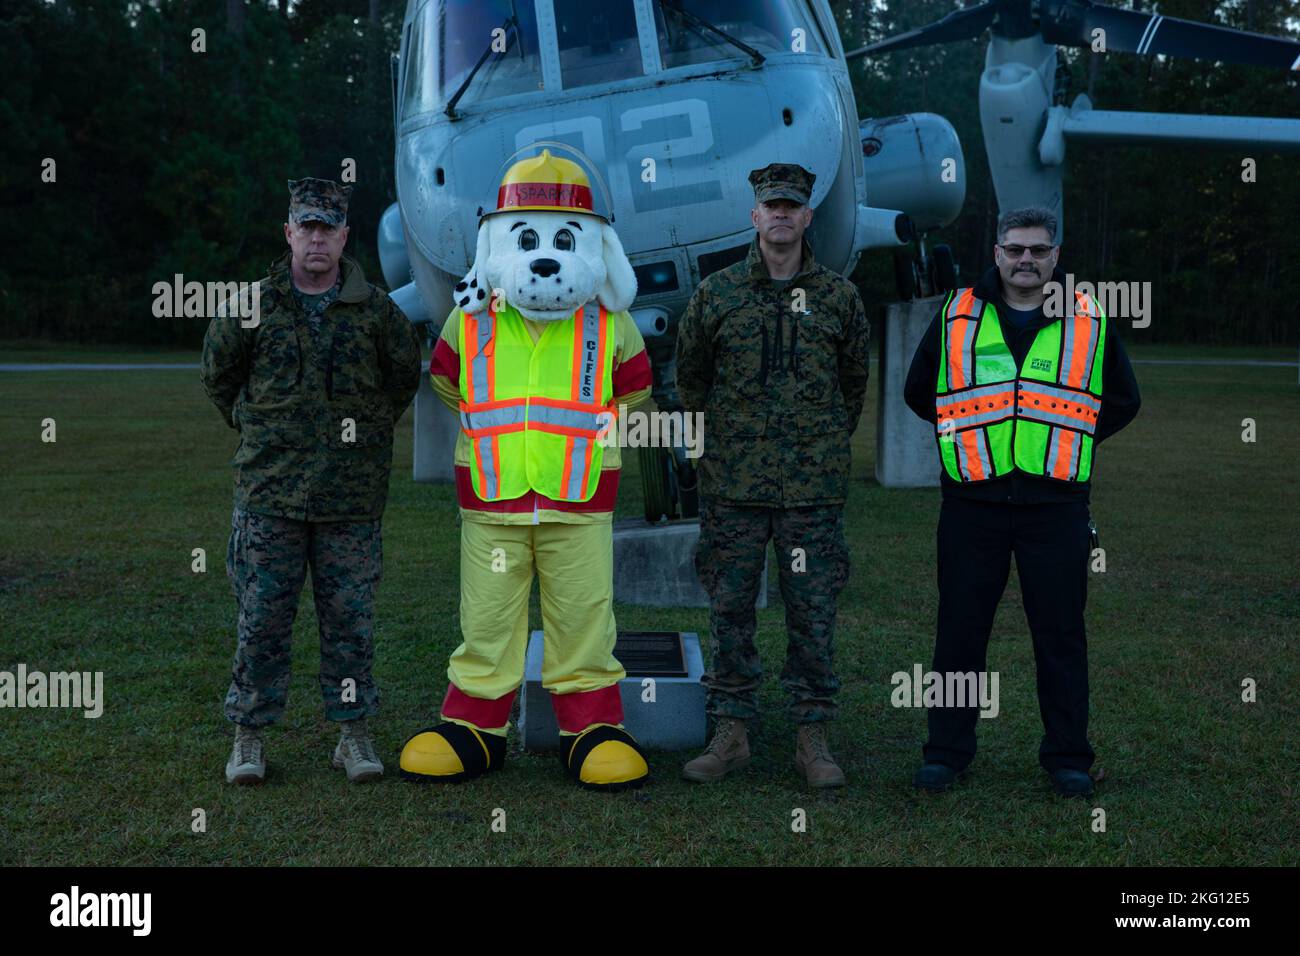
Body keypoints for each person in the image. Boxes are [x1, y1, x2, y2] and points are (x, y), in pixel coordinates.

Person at [397, 150, 656, 791]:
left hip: (579, 501)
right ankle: (474, 729)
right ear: (495, 244)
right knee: (485, 618)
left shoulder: (611, 324)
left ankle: (592, 728)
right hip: (493, 499)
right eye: (528, 237)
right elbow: (450, 385)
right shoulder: (470, 319)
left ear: (597, 245)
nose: (545, 255)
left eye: (565, 239)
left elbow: (634, 394)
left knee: (584, 617)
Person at [903, 205, 1142, 797]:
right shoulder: (957, 312)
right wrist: (971, 440)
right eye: (1015, 249)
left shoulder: (1088, 316)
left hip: (1055, 507)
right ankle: (946, 752)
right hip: (972, 505)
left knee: (1060, 635)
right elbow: (918, 392)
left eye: (1038, 250)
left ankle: (1068, 757)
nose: (1026, 260)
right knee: (959, 633)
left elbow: (1123, 400)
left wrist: (1065, 442)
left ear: (1056, 256)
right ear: (997, 253)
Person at [201, 177, 422, 785]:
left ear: (345, 235)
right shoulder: (254, 305)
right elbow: (220, 376)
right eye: (307, 226)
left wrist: (365, 434)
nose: (317, 238)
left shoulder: (376, 309)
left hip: (350, 500)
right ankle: (249, 737)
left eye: (329, 227)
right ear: (289, 232)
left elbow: (403, 378)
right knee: (261, 620)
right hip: (270, 496)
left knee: (350, 620)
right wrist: (261, 435)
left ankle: (352, 735)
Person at [674, 162, 871, 788]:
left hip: (811, 492)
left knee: (812, 610)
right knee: (730, 607)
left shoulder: (839, 297)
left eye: (792, 206)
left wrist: (818, 447)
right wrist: (712, 450)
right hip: (732, 487)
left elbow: (853, 386)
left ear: (808, 217)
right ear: (754, 216)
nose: (781, 215)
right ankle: (730, 731)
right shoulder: (719, 293)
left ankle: (812, 736)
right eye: (771, 206)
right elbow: (691, 379)